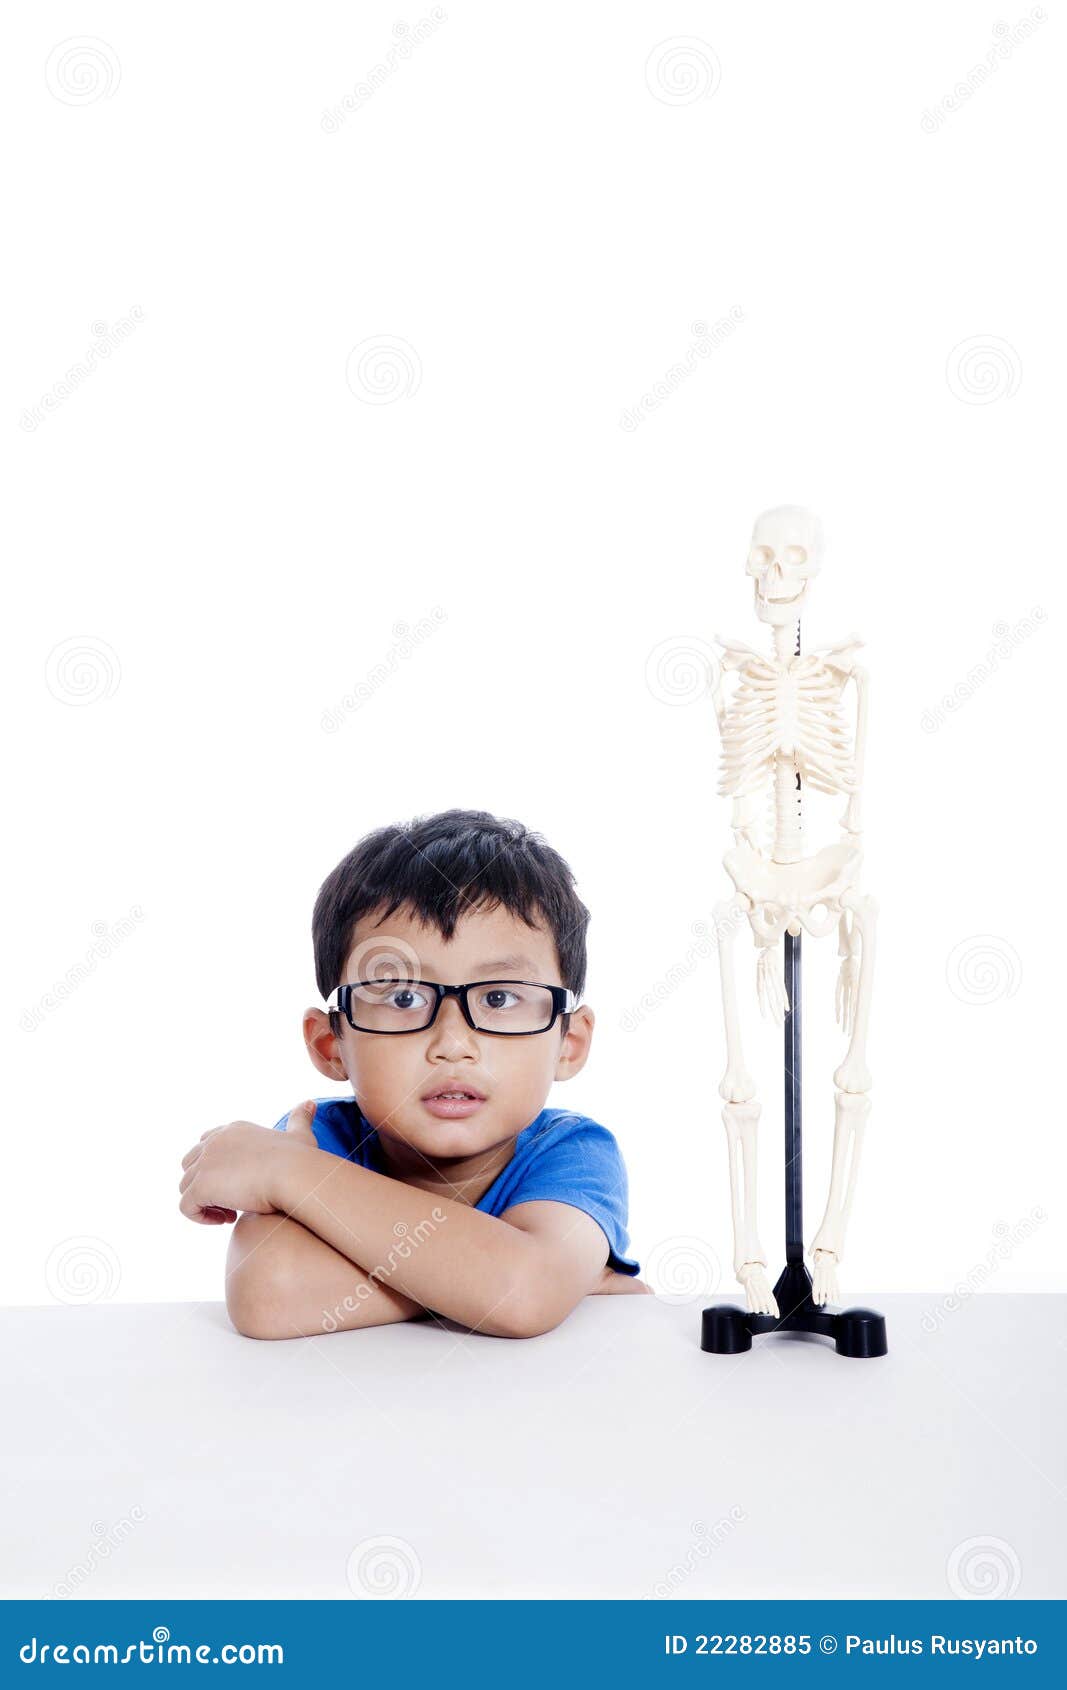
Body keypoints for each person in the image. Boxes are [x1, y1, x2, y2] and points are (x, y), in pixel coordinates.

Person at [178, 808, 649, 1338]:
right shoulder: (318, 1136)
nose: (452, 1044)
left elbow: (523, 1293)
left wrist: (292, 1177)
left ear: (570, 1042)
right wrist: (508, 1283)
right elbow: (271, 1296)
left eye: (499, 997)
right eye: (403, 997)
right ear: (332, 1045)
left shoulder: (574, 1152)